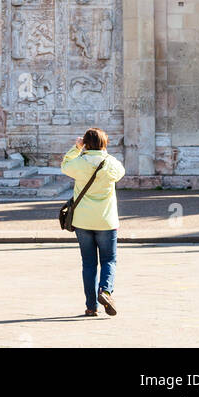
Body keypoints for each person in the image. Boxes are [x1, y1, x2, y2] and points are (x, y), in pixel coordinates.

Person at [61, 127, 125, 316]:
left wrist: (76, 147)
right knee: (109, 260)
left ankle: (91, 307)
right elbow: (121, 172)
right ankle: (105, 291)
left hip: (82, 221)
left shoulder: (79, 163)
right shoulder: (110, 163)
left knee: (88, 264)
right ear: (104, 144)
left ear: (85, 143)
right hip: (106, 221)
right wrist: (103, 152)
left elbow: (65, 165)